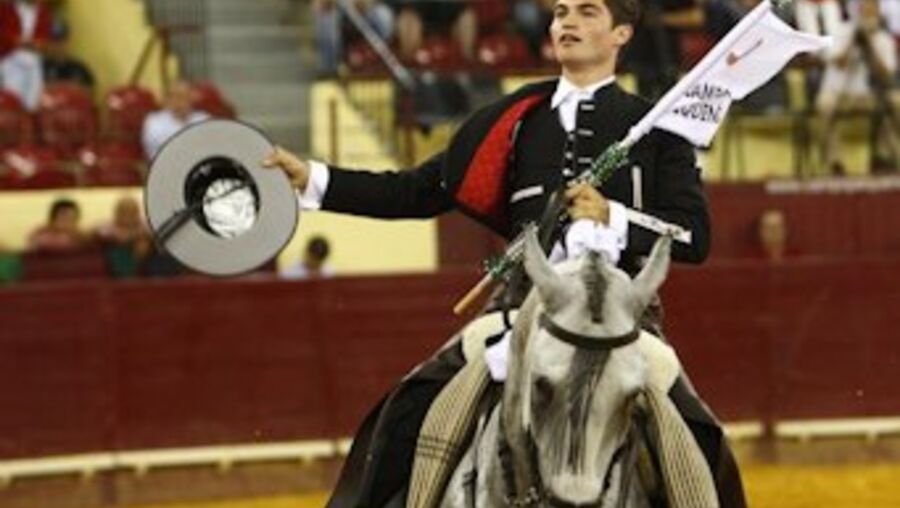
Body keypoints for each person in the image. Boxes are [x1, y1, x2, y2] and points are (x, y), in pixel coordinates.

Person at [266, 0, 744, 506]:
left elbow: (693, 237)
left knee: (699, 436)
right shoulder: (512, 123)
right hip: (520, 313)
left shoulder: (658, 129)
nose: (568, 23)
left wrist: (615, 217)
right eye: (561, 13)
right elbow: (413, 192)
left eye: (587, 12)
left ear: (621, 33)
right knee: (409, 407)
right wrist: (316, 179)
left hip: (622, 323)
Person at [816, 0, 898, 174]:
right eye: (864, 10)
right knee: (824, 105)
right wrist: (854, 40)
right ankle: (834, 161)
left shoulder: (884, 40)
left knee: (891, 104)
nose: (868, 14)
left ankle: (885, 156)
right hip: (840, 94)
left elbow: (886, 75)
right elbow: (838, 62)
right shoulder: (843, 31)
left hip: (869, 96)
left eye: (871, 10)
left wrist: (869, 45)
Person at [314, 0, 395, 75]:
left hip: (368, 11)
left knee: (384, 15)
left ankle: (384, 66)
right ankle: (330, 73)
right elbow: (320, 4)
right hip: (341, 14)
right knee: (326, 19)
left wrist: (365, 4)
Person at [0, 0, 53, 111]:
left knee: (32, 106)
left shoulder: (42, 10)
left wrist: (23, 42)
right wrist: (24, 42)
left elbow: (44, 42)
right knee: (11, 103)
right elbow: (5, 38)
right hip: (11, 62)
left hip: (34, 62)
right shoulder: (6, 8)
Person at [141, 80, 209, 160]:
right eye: (174, 96)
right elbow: (158, 151)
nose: (179, 101)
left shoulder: (204, 120)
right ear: (167, 99)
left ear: (193, 97)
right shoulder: (154, 122)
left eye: (183, 96)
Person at [93, 196, 151, 278]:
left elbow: (152, 233)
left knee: (144, 244)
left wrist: (136, 236)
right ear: (117, 212)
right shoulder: (109, 225)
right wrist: (133, 236)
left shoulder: (144, 224)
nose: (128, 215)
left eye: (132, 212)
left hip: (143, 264)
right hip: (116, 262)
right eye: (124, 211)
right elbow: (101, 232)